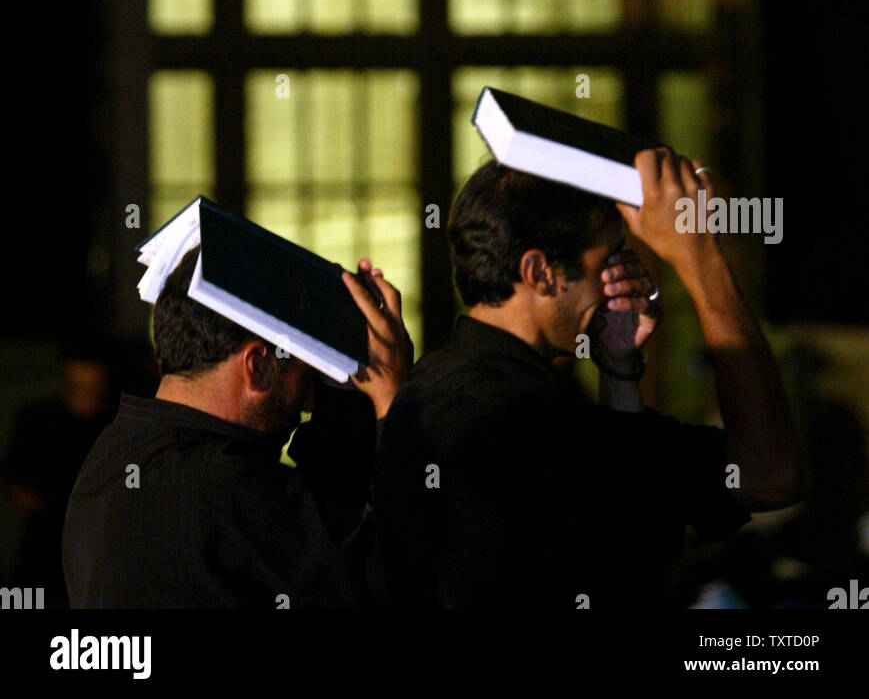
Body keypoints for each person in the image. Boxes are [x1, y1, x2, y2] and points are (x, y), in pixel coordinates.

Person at [374, 148, 813, 609]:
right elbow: (772, 475)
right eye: (608, 257)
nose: (618, 278)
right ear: (540, 272)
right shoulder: (528, 421)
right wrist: (702, 262)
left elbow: (626, 485)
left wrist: (619, 369)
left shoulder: (435, 383)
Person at [62, 249, 410, 608]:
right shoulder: (219, 483)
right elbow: (390, 578)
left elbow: (322, 516)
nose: (307, 401)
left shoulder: (117, 450)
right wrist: (393, 400)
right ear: (257, 365)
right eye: (306, 374)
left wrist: (345, 384)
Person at [3, 344, 114, 606]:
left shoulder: (115, 428)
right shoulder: (39, 421)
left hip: (97, 552)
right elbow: (12, 472)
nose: (85, 390)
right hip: (43, 549)